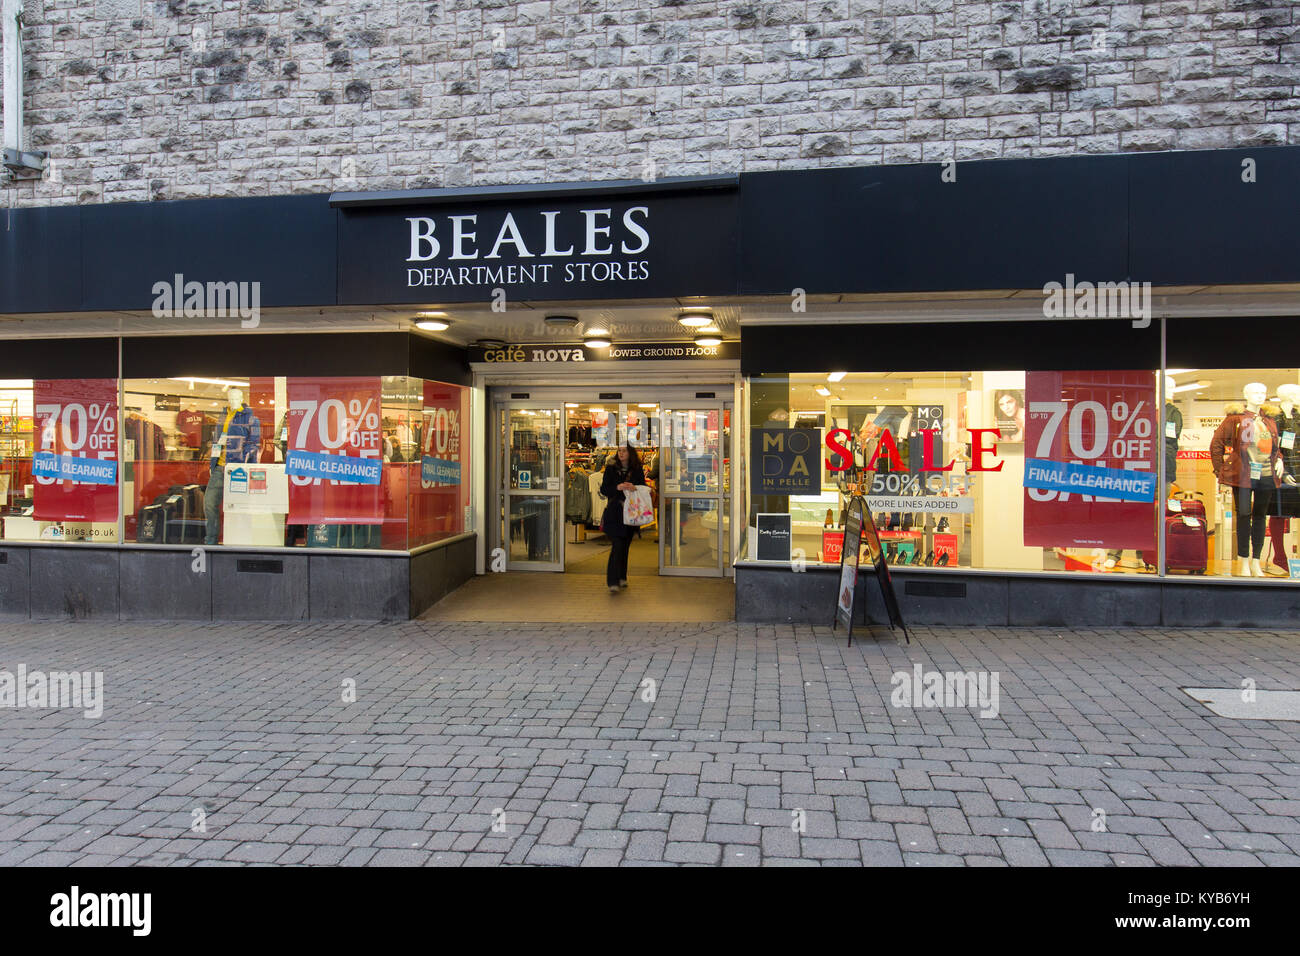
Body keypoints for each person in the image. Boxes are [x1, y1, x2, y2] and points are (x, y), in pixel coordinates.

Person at [600, 441, 645, 593]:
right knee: (617, 545)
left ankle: (622, 577)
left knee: (625, 545)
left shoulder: (637, 469)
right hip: (615, 512)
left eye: (624, 451)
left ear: (630, 453)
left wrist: (635, 487)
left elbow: (643, 487)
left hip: (631, 512)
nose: (621, 453)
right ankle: (612, 581)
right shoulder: (611, 468)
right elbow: (604, 489)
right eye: (619, 450)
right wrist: (617, 488)